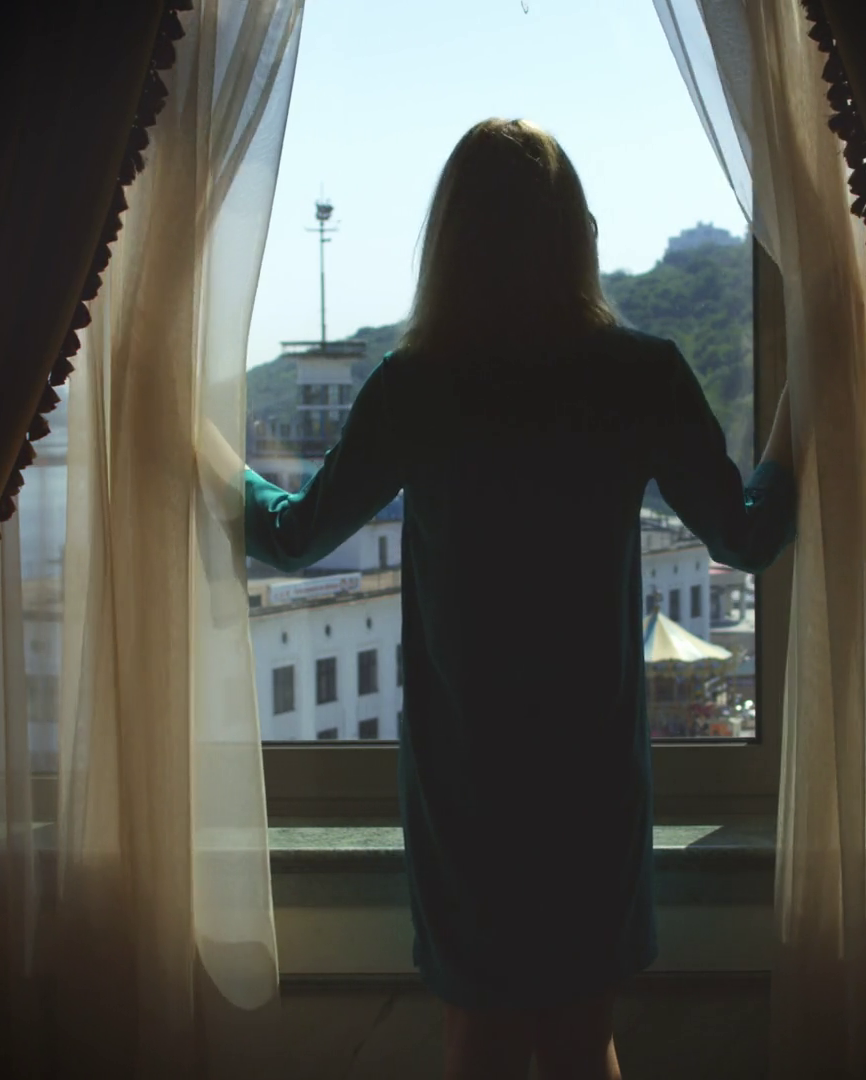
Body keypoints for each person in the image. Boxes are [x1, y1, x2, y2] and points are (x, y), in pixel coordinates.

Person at [244, 119, 796, 1080]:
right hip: (591, 772)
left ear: (448, 241)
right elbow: (746, 537)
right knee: (587, 1042)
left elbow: (293, 538)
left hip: (470, 785)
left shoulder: (418, 386)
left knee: (480, 1043)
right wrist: (807, 406)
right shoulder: (640, 374)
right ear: (575, 233)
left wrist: (206, 457)